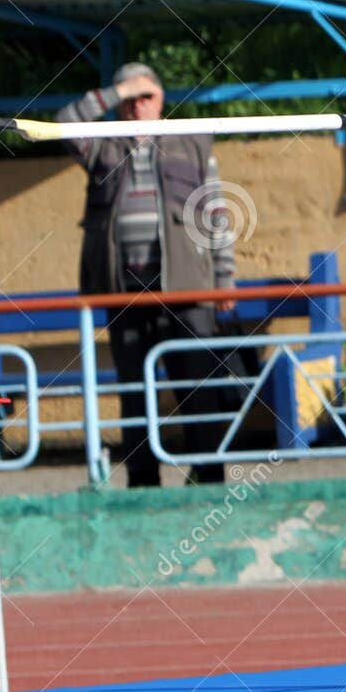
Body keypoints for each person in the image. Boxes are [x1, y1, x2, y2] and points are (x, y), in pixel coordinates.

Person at [56, 62, 235, 489]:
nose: (138, 106)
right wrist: (114, 91)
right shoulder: (102, 143)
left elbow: (216, 212)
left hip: (186, 288)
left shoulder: (190, 141)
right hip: (124, 290)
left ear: (161, 100)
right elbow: (63, 124)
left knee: (198, 385)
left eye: (146, 95)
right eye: (130, 97)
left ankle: (208, 478)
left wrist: (224, 278)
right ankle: (142, 481)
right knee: (135, 390)